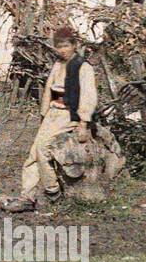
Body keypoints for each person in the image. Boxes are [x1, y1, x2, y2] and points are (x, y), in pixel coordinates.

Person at [10, 25, 97, 212]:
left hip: (68, 114)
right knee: (33, 154)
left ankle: (53, 192)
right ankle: (27, 196)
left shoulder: (83, 67)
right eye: (59, 46)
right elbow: (49, 90)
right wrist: (44, 114)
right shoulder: (58, 65)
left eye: (66, 46)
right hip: (52, 113)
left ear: (74, 45)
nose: (62, 50)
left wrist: (83, 123)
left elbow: (88, 97)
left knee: (43, 148)